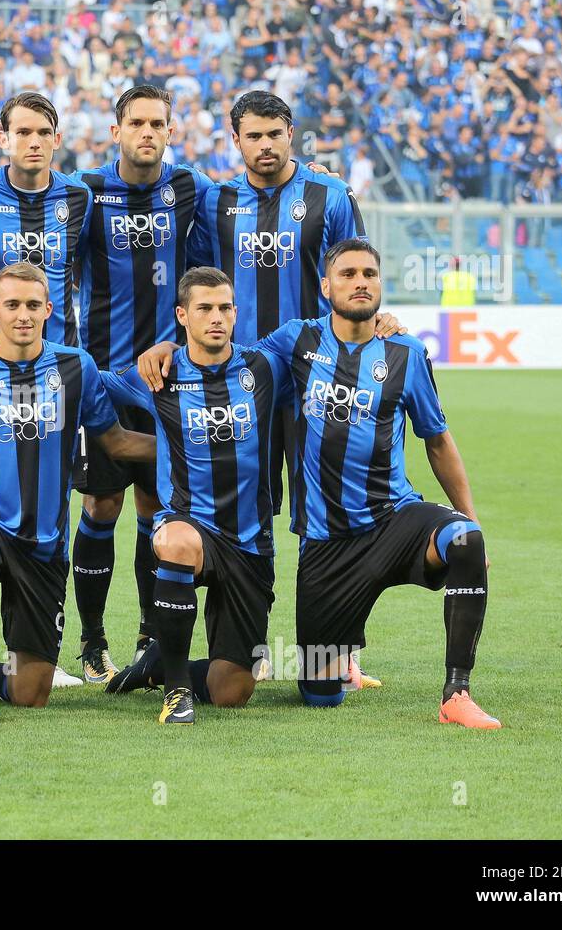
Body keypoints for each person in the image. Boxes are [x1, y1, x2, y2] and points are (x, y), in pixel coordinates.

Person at [138, 239, 500, 729]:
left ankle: (457, 692)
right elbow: (220, 353)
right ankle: (327, 655)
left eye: (369, 274)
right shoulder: (296, 342)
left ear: (380, 285)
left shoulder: (407, 354)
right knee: (320, 693)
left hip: (394, 520)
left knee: (464, 542)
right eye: (348, 274)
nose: (360, 282)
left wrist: (471, 516)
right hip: (327, 547)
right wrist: (169, 346)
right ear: (326, 286)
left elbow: (437, 442)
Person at [0, 262, 155, 726]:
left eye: (32, 305)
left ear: (48, 309)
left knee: (31, 693)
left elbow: (116, 442)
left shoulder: (75, 368)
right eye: (12, 305)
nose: (23, 315)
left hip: (44, 547)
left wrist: (179, 449)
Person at [189, 89, 378, 686]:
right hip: (239, 386)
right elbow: (199, 285)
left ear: (291, 133)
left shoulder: (329, 196)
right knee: (251, 512)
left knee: (329, 513)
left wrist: (381, 322)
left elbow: (355, 271)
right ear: (235, 140)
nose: (265, 145)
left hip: (316, 385)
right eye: (253, 136)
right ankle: (253, 644)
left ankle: (338, 651)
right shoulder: (216, 203)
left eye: (275, 134)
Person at [98, 267, 292, 724]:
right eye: (204, 308)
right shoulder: (159, 375)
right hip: (188, 524)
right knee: (176, 544)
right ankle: (176, 689)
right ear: (182, 315)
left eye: (225, 307)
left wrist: (385, 324)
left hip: (250, 542)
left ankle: (157, 666)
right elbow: (92, 379)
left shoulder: (263, 366)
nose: (216, 317)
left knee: (232, 691)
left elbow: (324, 341)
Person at [67, 84, 214, 681]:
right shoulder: (84, 192)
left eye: (158, 123)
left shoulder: (192, 189)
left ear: (171, 132)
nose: (147, 133)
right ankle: (92, 639)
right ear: (116, 131)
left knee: (157, 511)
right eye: (136, 123)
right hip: (100, 377)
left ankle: (152, 639)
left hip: (168, 383)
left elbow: (246, 205)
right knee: (101, 504)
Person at [0, 92, 93, 347]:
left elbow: (78, 265)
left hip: (63, 358)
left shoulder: (79, 197)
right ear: (4, 139)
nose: (35, 142)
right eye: (23, 132)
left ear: (57, 140)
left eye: (44, 133)